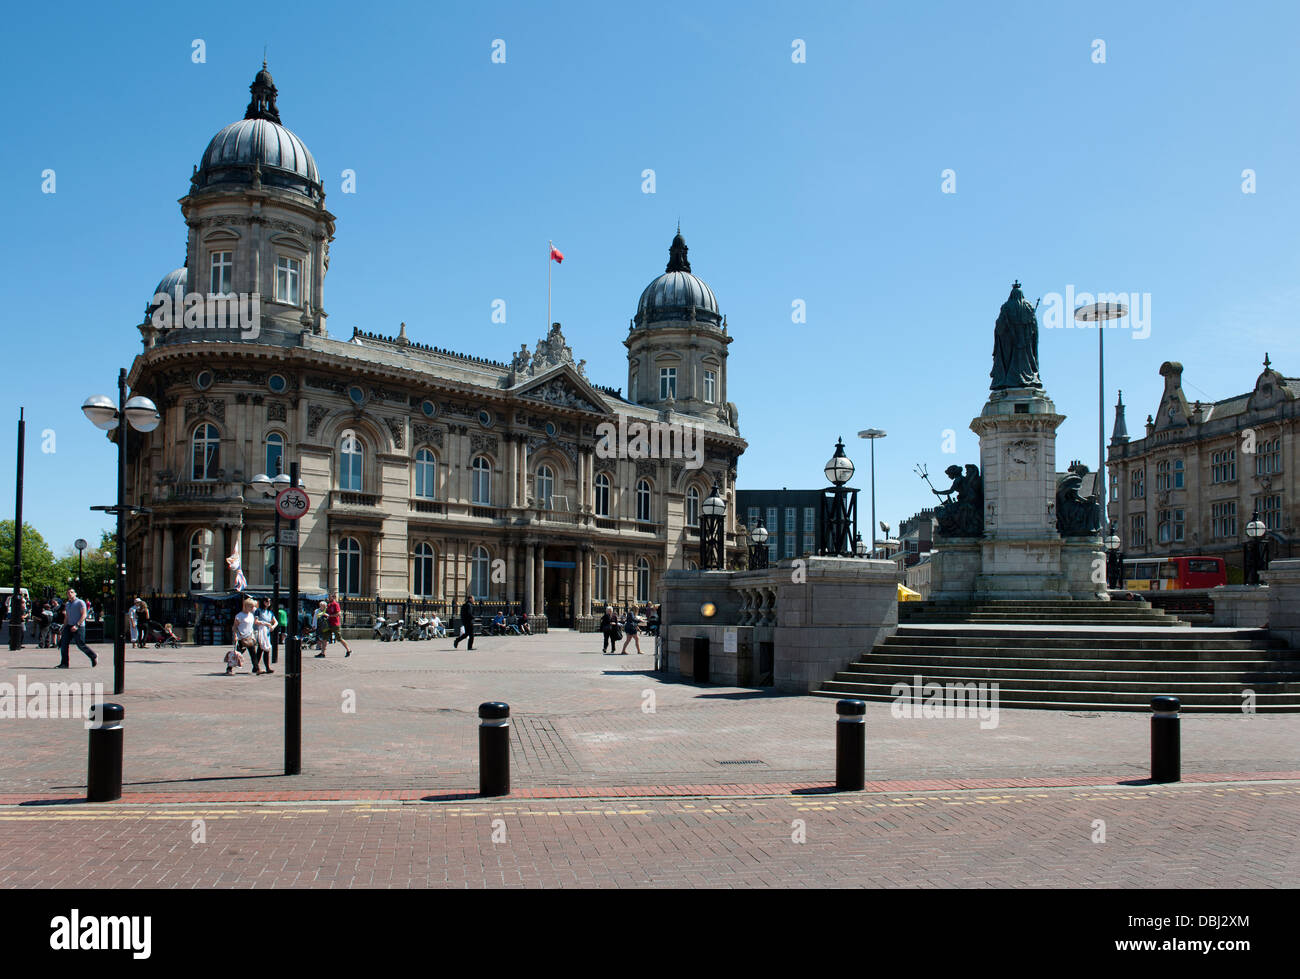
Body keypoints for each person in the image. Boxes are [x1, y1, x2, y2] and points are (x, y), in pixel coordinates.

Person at [56, 588, 97, 669]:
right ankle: (64, 664)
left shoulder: (80, 602)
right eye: (68, 593)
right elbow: (67, 617)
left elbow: (84, 615)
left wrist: (77, 625)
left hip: (79, 626)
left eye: (71, 592)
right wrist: (63, 627)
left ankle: (93, 656)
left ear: (75, 593)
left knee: (80, 645)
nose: (70, 594)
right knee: (63, 644)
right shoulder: (67, 604)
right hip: (69, 626)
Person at [317, 593, 351, 658]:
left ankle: (348, 650)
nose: (328, 598)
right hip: (328, 624)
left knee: (339, 638)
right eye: (328, 597)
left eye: (329, 597)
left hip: (335, 624)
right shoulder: (329, 605)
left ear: (333, 597)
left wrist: (330, 616)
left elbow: (338, 614)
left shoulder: (336, 604)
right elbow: (326, 613)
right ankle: (322, 653)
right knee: (325, 638)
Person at [231, 597, 258, 674]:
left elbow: (251, 627)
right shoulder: (239, 616)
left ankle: (256, 668)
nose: (252, 608)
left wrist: (253, 636)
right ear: (245, 606)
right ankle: (229, 668)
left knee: (253, 654)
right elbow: (234, 627)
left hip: (249, 637)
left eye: (253, 606)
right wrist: (235, 636)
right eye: (251, 606)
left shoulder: (251, 616)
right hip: (241, 638)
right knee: (238, 654)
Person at [252, 597, 276, 675]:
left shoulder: (270, 612)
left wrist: (272, 626)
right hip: (261, 631)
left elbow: (275, 622)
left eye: (269, 601)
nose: (268, 602)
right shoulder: (258, 611)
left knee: (264, 649)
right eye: (267, 601)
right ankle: (258, 666)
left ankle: (261, 667)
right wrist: (265, 623)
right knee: (262, 649)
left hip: (267, 632)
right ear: (263, 602)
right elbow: (256, 622)